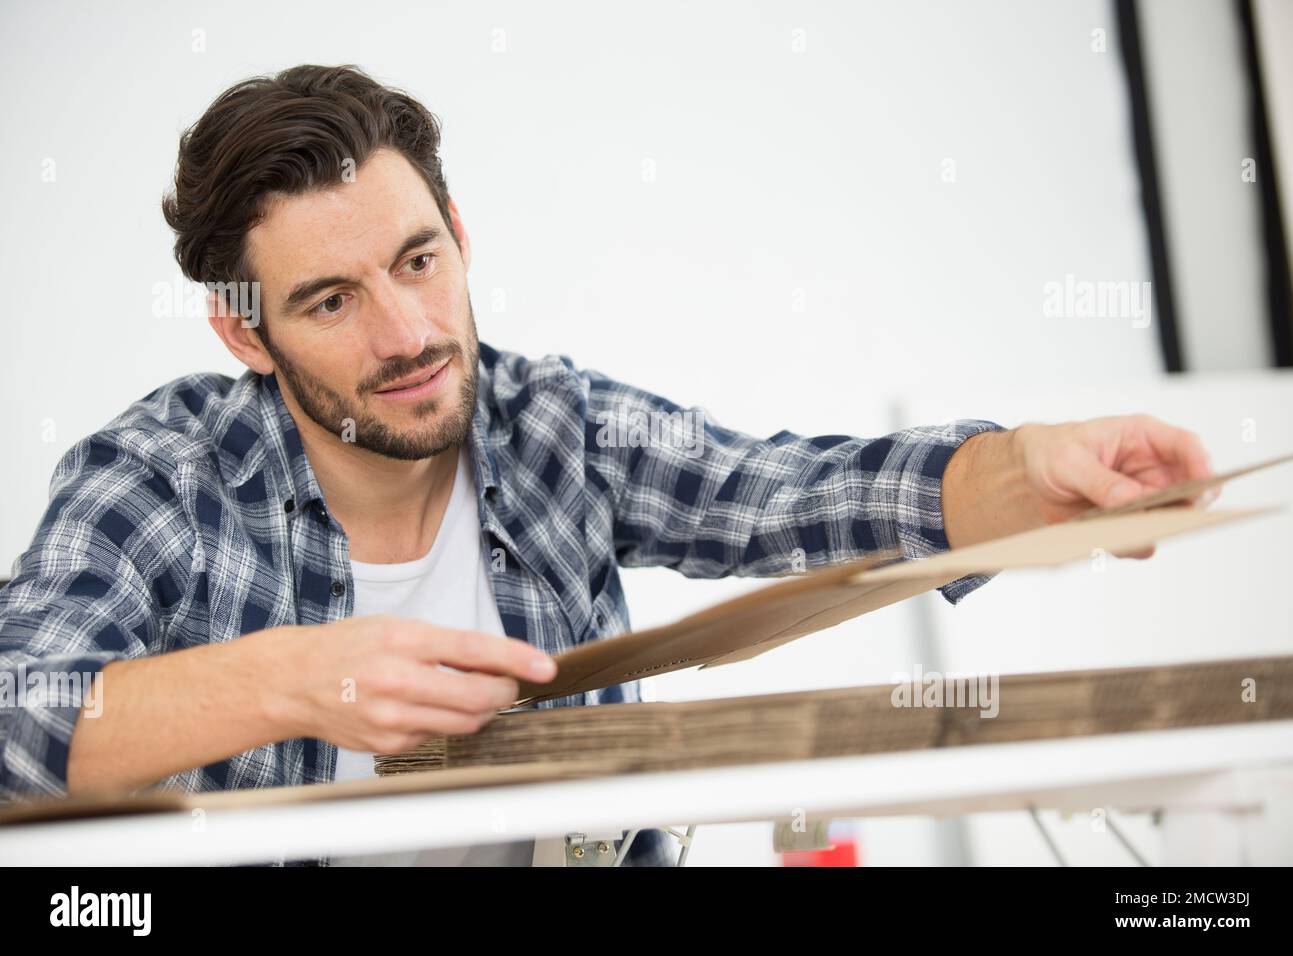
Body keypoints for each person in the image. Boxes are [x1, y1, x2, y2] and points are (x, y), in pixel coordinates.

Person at [0, 65, 1215, 866]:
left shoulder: (549, 426)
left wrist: (1029, 472)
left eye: (419, 262)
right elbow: (17, 709)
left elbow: (791, 500)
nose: (408, 334)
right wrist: (287, 679)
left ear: (460, 236)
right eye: (329, 300)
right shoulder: (162, 475)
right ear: (241, 330)